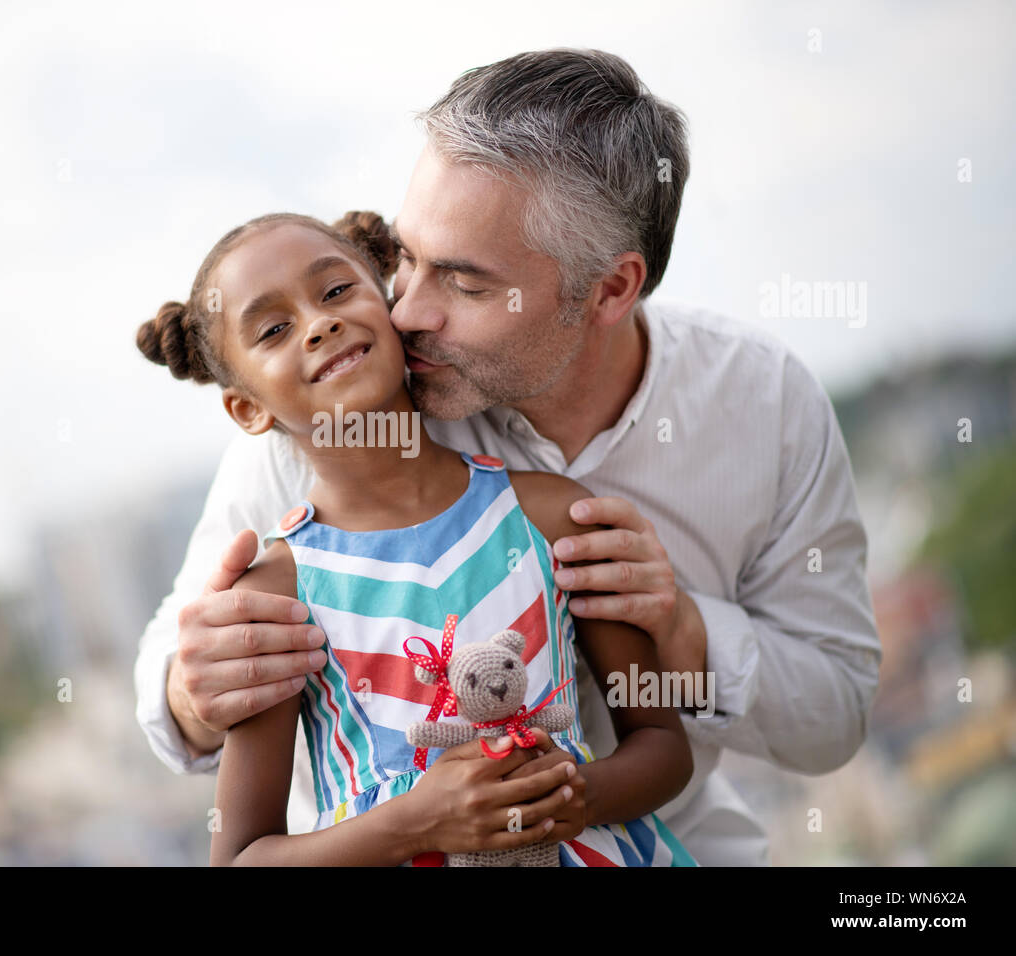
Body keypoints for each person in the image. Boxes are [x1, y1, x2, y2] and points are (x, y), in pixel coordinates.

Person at [134, 48, 881, 865]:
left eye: (464, 284)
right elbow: (175, 691)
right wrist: (198, 687)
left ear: (607, 290)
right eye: (407, 261)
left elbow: (836, 717)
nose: (407, 312)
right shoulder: (328, 429)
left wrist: (683, 628)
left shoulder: (763, 405)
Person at [138, 208, 696, 865]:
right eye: (274, 328)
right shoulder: (275, 593)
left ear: (392, 302)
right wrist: (416, 824)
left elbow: (663, 746)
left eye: (338, 291)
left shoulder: (553, 516)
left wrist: (580, 793)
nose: (321, 324)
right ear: (247, 408)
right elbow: (240, 856)